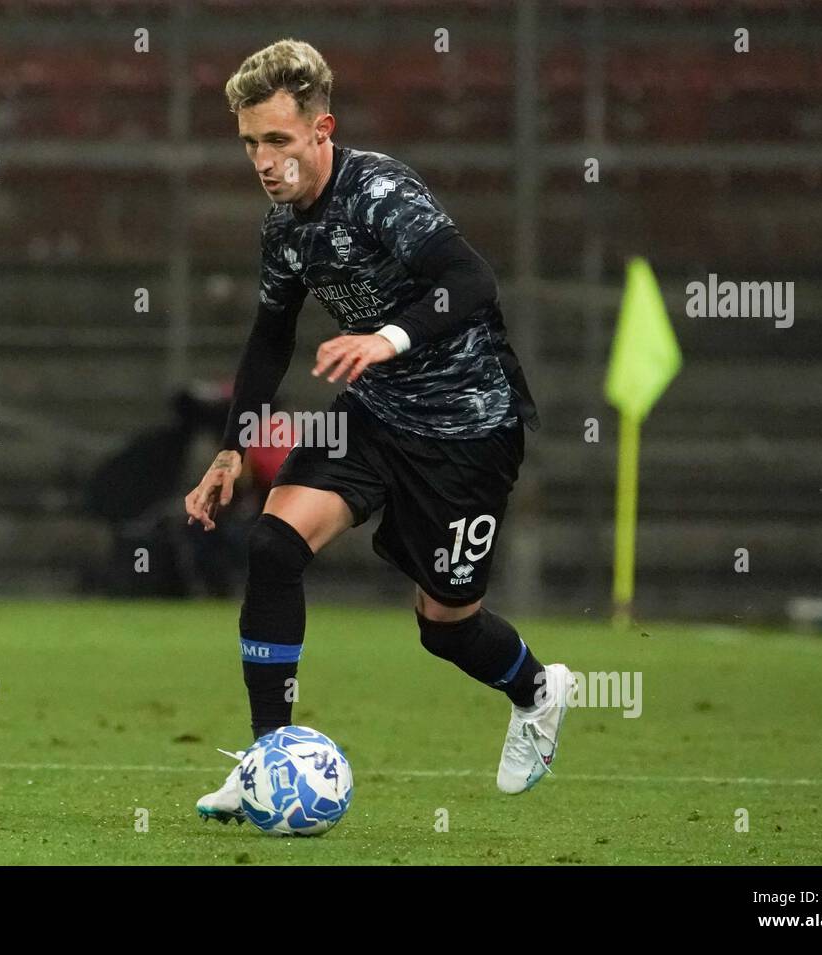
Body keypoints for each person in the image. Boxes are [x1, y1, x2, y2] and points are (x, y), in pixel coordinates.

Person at [184, 39, 576, 823]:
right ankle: (270, 757)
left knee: (445, 628)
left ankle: (537, 689)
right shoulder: (284, 229)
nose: (264, 161)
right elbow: (270, 339)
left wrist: (386, 338)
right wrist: (231, 445)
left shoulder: (381, 192)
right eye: (251, 144)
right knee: (271, 546)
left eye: (280, 142)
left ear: (322, 129)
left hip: (467, 431)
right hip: (374, 417)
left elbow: (471, 279)